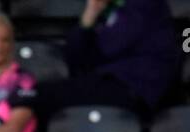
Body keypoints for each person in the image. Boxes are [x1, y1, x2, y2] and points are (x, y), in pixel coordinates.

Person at [32, 0, 180, 118]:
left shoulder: (143, 4)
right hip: (108, 82)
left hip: (134, 87)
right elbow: (74, 56)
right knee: (35, 95)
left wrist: (91, 38)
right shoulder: (108, 9)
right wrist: (90, 14)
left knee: (38, 95)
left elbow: (108, 47)